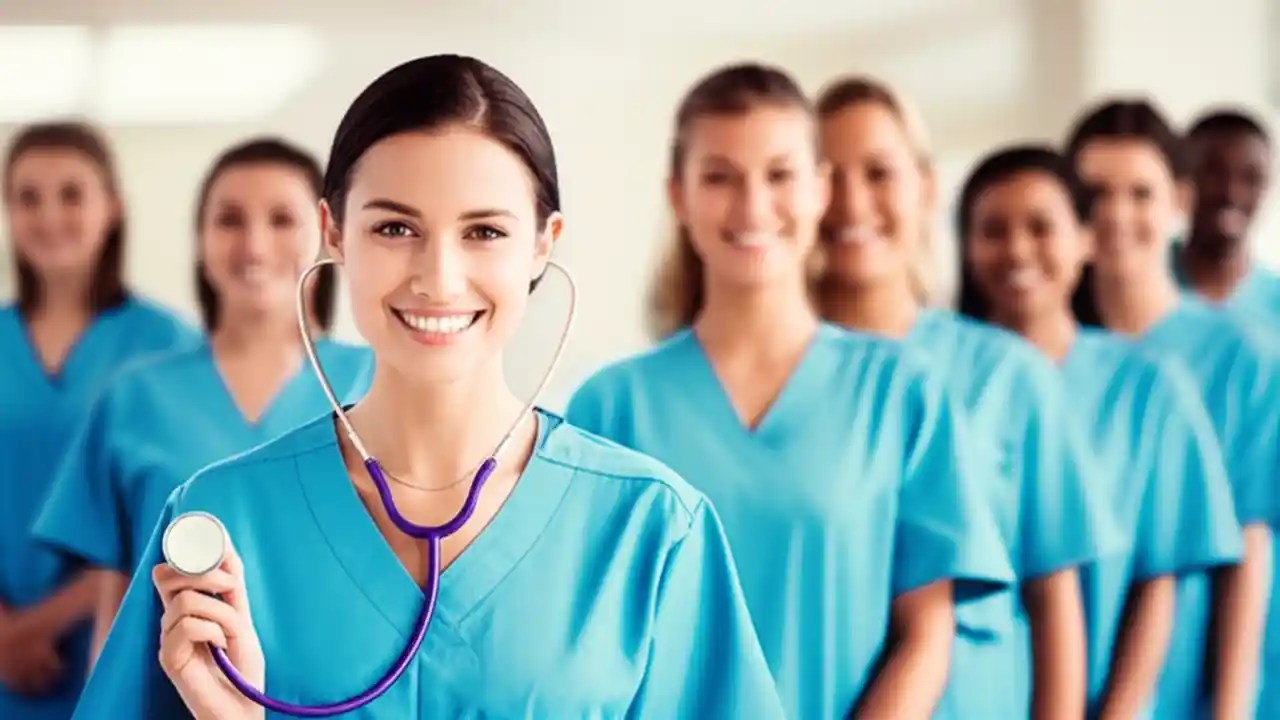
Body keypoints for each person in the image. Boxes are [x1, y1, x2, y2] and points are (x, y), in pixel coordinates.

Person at [73, 55, 785, 719]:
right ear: (334, 233)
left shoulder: (652, 528)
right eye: (395, 227)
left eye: (484, 232)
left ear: (544, 242)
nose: (438, 279)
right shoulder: (219, 521)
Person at [567, 63, 1012, 720]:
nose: (753, 207)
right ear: (678, 194)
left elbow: (926, 633)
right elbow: (588, 648)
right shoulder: (610, 408)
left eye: (779, 175)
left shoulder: (901, 392)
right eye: (720, 177)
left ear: (819, 189)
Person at [813, 76, 1116, 719]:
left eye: (878, 173)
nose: (851, 201)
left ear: (926, 188)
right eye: (828, 174)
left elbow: (1054, 600)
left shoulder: (1008, 375)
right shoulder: (775, 383)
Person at [33, 138, 372, 662]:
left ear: (329, 235)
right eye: (229, 220)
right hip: (169, 687)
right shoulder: (135, 396)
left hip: (341, 687)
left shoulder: (376, 381)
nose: (254, 246)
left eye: (282, 219)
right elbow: (117, 600)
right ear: (200, 241)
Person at [956, 143, 1243, 717]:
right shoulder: (938, 380)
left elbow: (1159, 577)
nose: (1017, 249)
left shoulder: (1148, 387)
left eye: (1041, 228)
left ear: (1086, 238)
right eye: (992, 230)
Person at [1066, 99, 1280, 719]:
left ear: (1179, 201)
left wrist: (1231, 710)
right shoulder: (1052, 357)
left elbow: (1250, 547)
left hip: (1186, 688)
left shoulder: (1242, 359)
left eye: (1140, 193)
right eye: (1096, 194)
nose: (1116, 215)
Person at [0, 122, 194, 720]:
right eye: (28, 197)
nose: (49, 215)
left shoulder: (170, 349)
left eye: (71, 194)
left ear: (113, 207)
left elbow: (167, 509)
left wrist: (36, 627)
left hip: (115, 642)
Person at [1174, 109, 1280, 323]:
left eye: (1250, 178)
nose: (1231, 194)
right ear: (1181, 179)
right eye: (1213, 173)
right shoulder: (1134, 283)